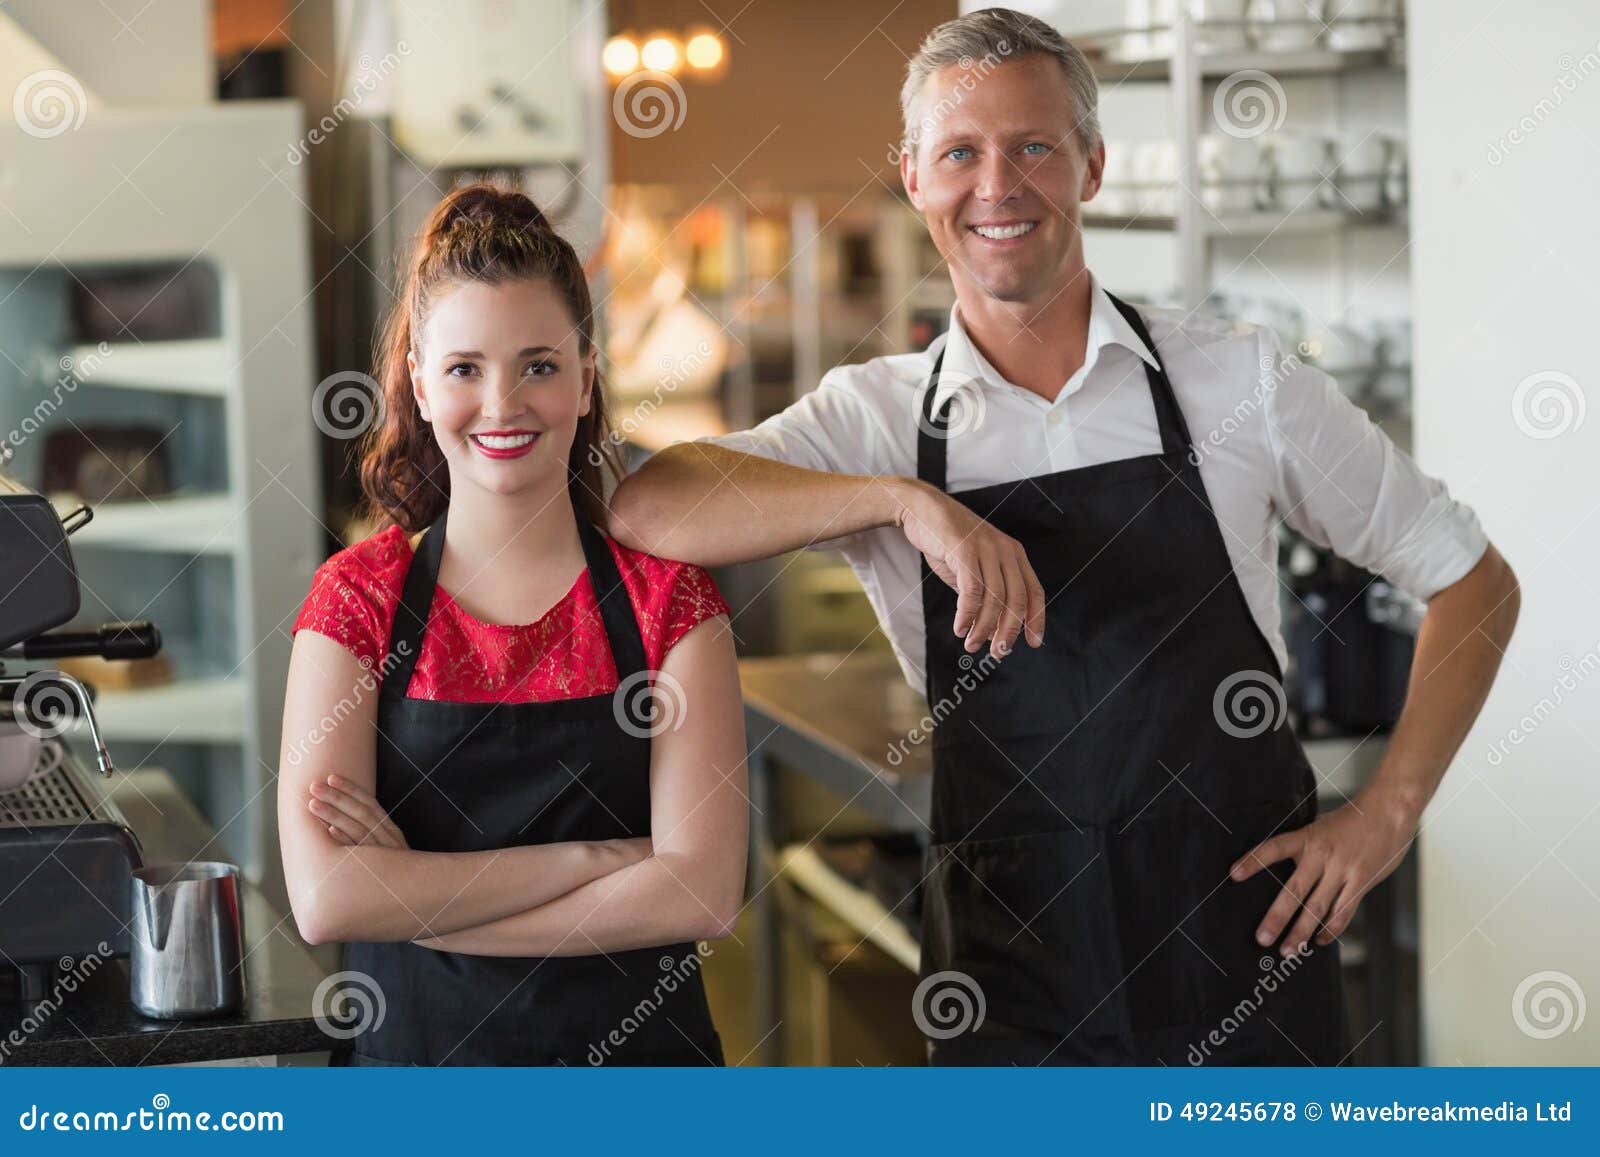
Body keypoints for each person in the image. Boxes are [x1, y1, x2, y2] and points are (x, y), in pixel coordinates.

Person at [607, 8, 1519, 1065]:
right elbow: (650, 505)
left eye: (1033, 146)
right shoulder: (876, 419)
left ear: (1089, 165)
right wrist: (902, 501)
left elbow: (1472, 579)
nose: (996, 186)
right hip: (1012, 979)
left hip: (1243, 953)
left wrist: (1386, 813)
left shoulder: (1239, 381)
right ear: (912, 176)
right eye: (960, 153)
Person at [279, 183, 747, 1066]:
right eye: (464, 368)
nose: (502, 404)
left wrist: (419, 903)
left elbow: (705, 890)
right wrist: (595, 861)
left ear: (585, 375)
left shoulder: (672, 608)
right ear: (419, 380)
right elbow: (329, 900)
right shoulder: (357, 602)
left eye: (538, 364)